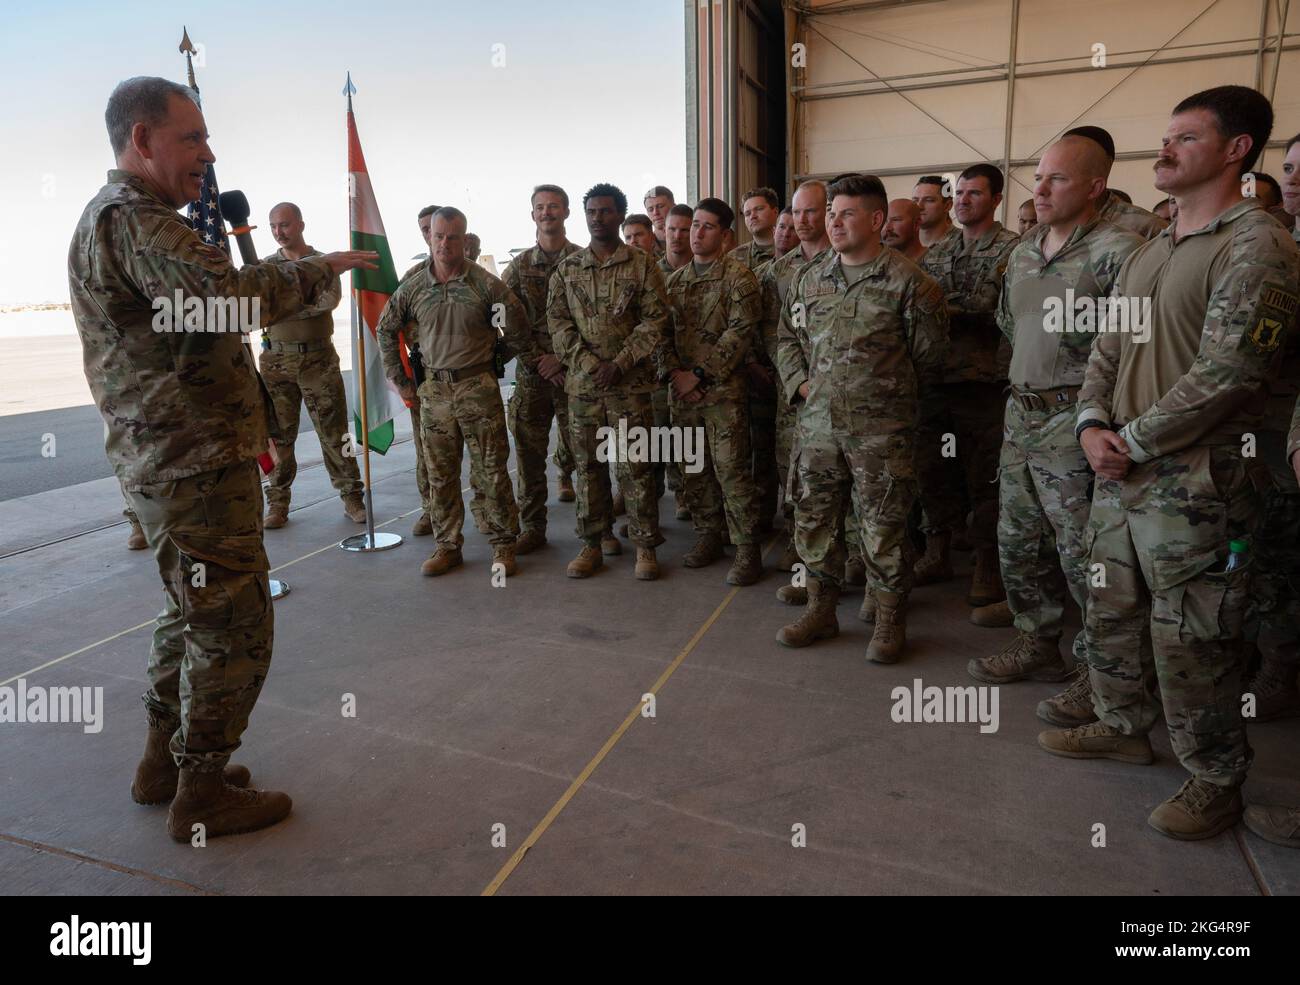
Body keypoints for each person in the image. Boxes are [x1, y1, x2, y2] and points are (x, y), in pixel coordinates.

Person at [71, 76, 377, 840]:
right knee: (234, 623)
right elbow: (231, 299)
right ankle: (201, 791)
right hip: (192, 463)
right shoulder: (138, 221)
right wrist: (321, 268)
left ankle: (165, 764)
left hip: (173, 461)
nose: (209, 154)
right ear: (142, 140)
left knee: (189, 614)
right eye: (193, 138)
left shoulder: (113, 219)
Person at [1042, 86, 1300, 841]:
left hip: (1197, 483)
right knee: (1111, 609)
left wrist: (1135, 442)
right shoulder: (1153, 247)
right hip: (1122, 470)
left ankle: (1215, 776)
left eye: (1185, 138)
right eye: (1166, 136)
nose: (1164, 149)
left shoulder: (1258, 244)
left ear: (1235, 149)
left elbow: (1230, 372)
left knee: (1192, 635)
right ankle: (1124, 723)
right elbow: (1108, 349)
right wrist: (1092, 421)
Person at [965, 137, 1143, 713]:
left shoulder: (1121, 252)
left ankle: (1102, 672)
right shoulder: (1022, 252)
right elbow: (1010, 324)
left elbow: (1132, 349)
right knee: (1017, 541)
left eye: (1056, 180)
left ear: (1094, 187)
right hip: (1022, 415)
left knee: (1081, 554)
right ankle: (1038, 643)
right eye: (1037, 178)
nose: (1039, 190)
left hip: (1077, 421)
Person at [775, 174, 948, 663]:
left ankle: (890, 619)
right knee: (814, 521)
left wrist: (879, 393)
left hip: (881, 434)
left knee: (884, 527)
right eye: (830, 212)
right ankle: (820, 609)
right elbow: (787, 338)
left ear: (875, 220)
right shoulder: (811, 279)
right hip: (818, 430)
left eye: (846, 213)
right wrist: (800, 384)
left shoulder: (911, 284)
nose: (833, 222)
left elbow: (929, 358)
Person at [376, 207, 529, 578]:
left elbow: (519, 330)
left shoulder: (485, 285)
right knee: (440, 475)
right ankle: (447, 547)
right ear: (430, 238)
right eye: (438, 236)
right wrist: (400, 378)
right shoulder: (413, 288)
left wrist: (491, 362)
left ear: (465, 239)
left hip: (478, 390)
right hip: (434, 394)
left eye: (453, 237)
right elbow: (385, 328)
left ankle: (503, 545)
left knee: (491, 472)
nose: (445, 243)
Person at [549, 183, 670, 580]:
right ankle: (592, 544)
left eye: (605, 211)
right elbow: (558, 322)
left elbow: (655, 319)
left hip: (629, 388)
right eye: (592, 212)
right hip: (584, 389)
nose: (598, 218)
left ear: (620, 215)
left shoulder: (642, 264)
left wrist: (620, 362)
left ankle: (645, 547)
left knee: (635, 468)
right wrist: (586, 362)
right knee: (588, 468)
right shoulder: (567, 269)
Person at [917, 163, 1019, 608]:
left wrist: (951, 306)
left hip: (984, 386)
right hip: (939, 380)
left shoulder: (1014, 250)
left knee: (985, 479)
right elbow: (924, 305)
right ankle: (937, 550)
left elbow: (995, 310)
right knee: (935, 471)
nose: (963, 200)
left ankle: (987, 563)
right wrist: (959, 307)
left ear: (996, 199)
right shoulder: (939, 251)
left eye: (974, 193)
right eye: (959, 193)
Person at [1241, 133, 1300, 849]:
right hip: (1272, 434)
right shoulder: (1282, 247)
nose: (1291, 182)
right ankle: (1276, 663)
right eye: (1288, 170)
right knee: (1271, 555)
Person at [662, 197, 764, 584]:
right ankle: (709, 535)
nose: (697, 233)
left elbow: (740, 333)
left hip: (722, 395)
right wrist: (675, 373)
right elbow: (660, 335)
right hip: (683, 394)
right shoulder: (674, 283)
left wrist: (699, 375)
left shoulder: (740, 278)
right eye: (694, 226)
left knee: (733, 472)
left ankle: (746, 549)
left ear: (724, 234)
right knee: (695, 469)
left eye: (706, 226)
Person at [258, 202, 366, 528]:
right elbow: (260, 309)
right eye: (274, 226)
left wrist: (283, 307)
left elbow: (327, 302)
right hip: (276, 362)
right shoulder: (265, 269)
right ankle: (277, 504)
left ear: (301, 225)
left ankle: (352, 498)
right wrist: (292, 304)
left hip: (317, 359)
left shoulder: (324, 265)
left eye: (285, 225)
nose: (279, 232)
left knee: (335, 435)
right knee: (278, 437)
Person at [502, 184, 582, 554]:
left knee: (588, 454)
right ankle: (532, 528)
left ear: (566, 212)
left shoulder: (583, 262)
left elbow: (596, 321)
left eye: (554, 207)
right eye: (540, 207)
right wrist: (539, 360)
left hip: (576, 374)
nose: (547, 213)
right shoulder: (517, 269)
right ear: (532, 215)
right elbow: (504, 322)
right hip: (534, 377)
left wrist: (563, 358)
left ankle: (592, 533)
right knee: (530, 458)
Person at [762, 180, 831, 577]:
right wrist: (794, 379)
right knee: (791, 467)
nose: (803, 221)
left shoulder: (846, 263)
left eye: (812, 212)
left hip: (839, 391)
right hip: (795, 393)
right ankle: (796, 540)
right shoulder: (779, 271)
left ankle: (847, 551)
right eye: (797, 212)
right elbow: (773, 332)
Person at [1062, 126, 1169, 239]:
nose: (1062, 165)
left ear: (1105, 164)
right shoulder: (1049, 225)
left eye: (1074, 157)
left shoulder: (1147, 227)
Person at [730, 186, 780, 271]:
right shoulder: (733, 258)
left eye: (759, 209)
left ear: (775, 211)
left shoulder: (794, 250)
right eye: (747, 213)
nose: (752, 216)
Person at [913, 175, 954, 247]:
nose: (919, 206)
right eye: (915, 200)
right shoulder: (904, 242)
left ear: (947, 205)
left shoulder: (964, 243)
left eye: (929, 200)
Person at [643, 185, 675, 253]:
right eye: (650, 209)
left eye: (660, 206)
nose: (655, 213)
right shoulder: (643, 245)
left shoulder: (691, 239)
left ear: (674, 207)